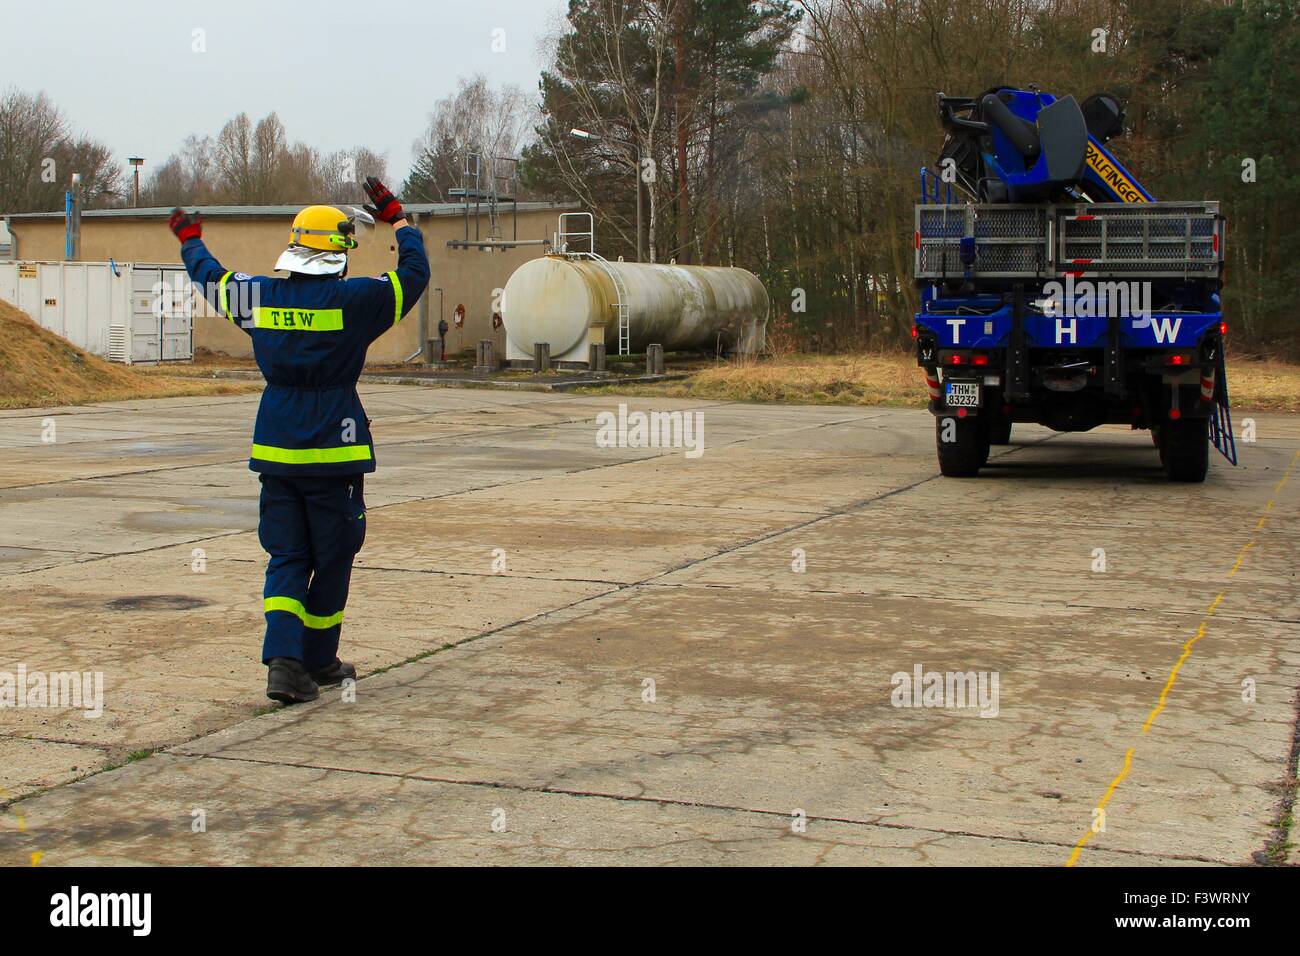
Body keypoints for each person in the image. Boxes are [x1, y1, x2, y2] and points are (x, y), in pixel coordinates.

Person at [168, 178, 430, 703]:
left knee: (286, 555)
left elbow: (210, 277)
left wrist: (190, 238)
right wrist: (398, 220)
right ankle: (319, 658)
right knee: (333, 556)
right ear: (338, 252)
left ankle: (285, 664)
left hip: (277, 447)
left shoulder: (257, 297)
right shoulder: (358, 300)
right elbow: (413, 276)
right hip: (336, 450)